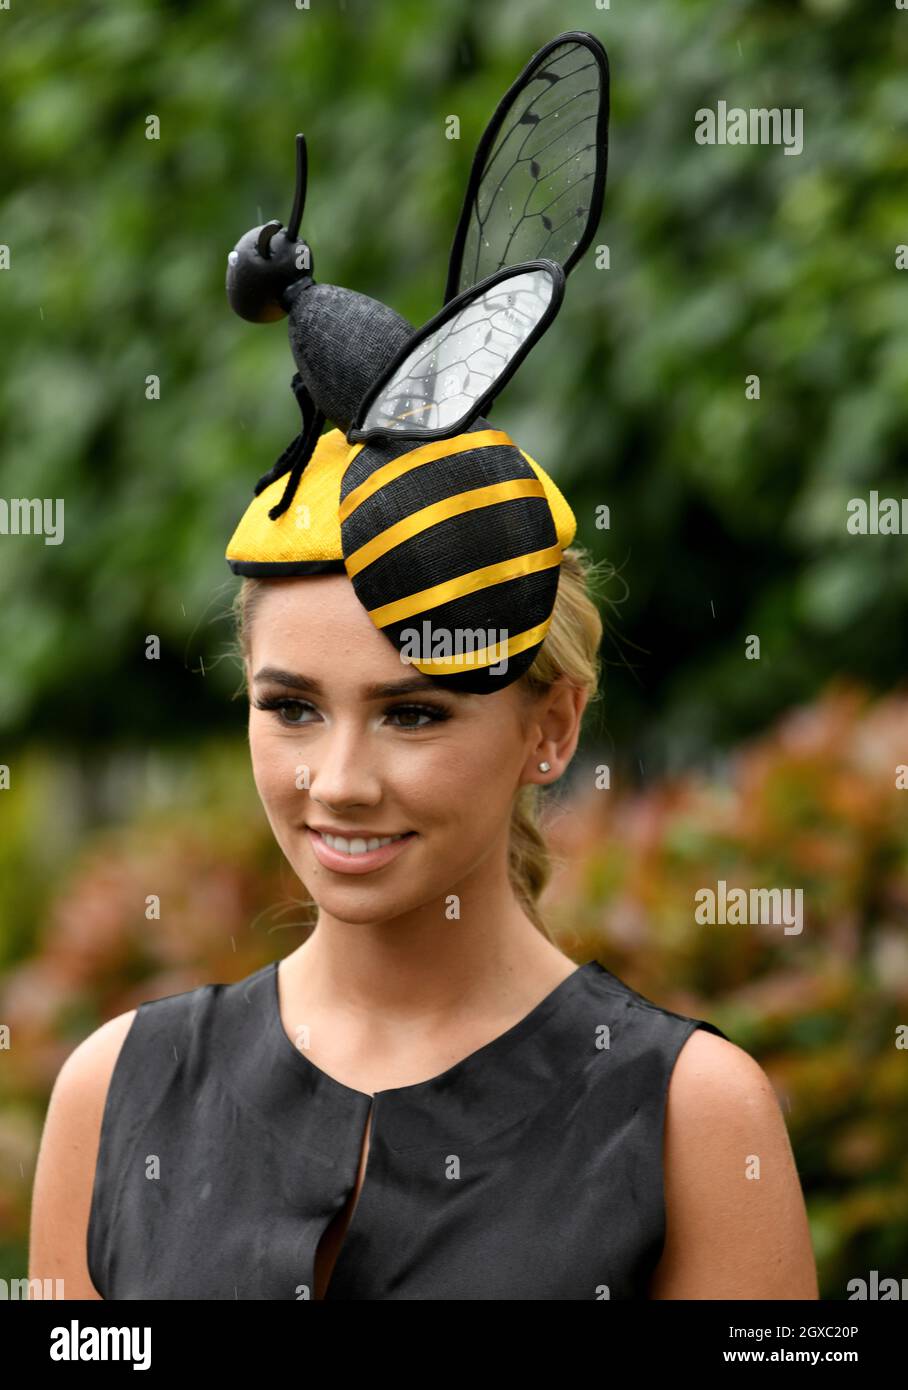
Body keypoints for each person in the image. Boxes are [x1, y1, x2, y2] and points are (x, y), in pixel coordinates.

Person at [29, 30, 818, 1300]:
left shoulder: (689, 1120)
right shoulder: (111, 1097)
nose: (335, 779)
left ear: (549, 726)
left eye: (411, 712)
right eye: (289, 706)